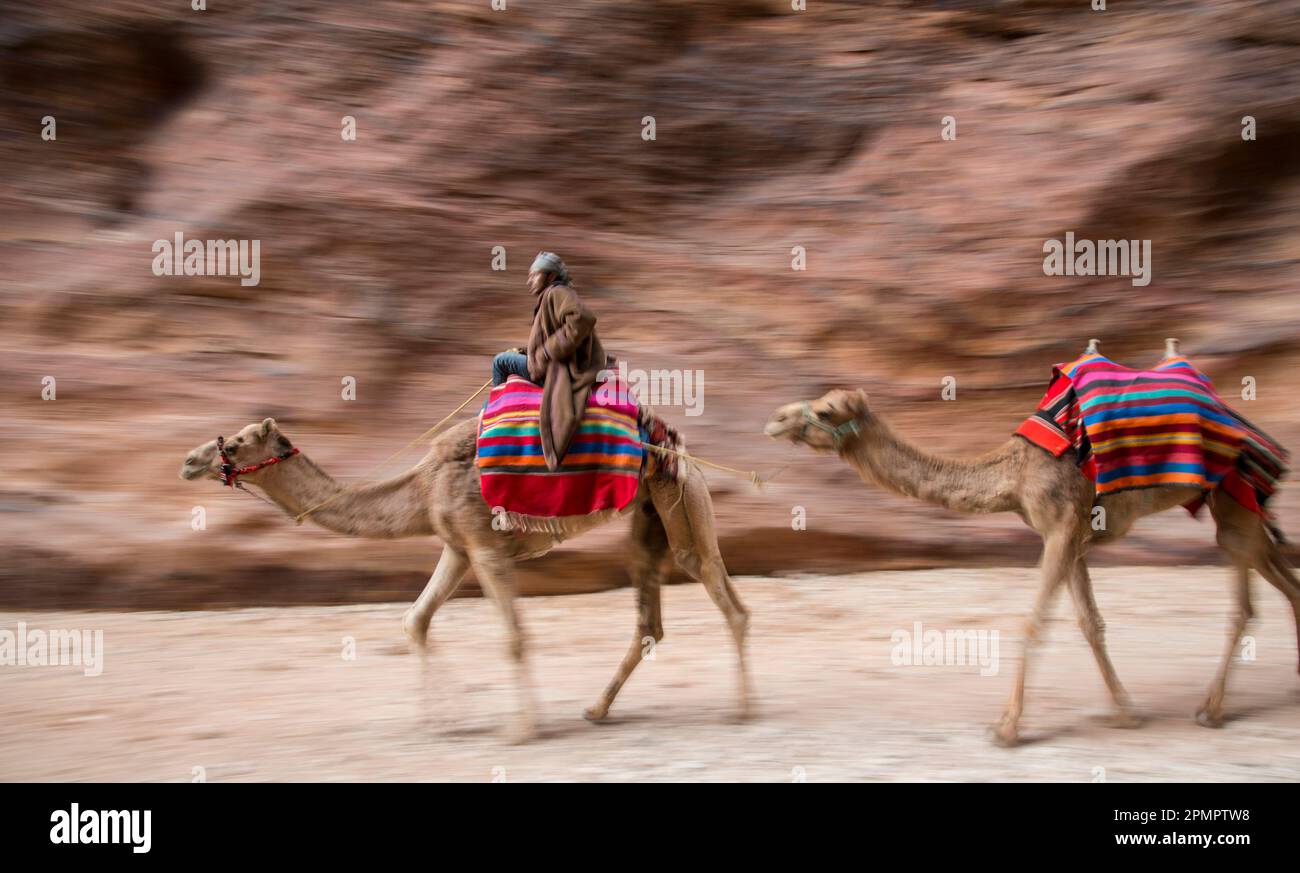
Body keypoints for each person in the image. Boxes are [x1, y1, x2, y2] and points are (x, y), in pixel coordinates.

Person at [491, 252, 610, 470]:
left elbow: (583, 319)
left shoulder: (558, 292)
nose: (529, 280)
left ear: (550, 276)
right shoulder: (551, 295)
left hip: (555, 369)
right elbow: (553, 334)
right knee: (511, 356)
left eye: (533, 275)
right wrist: (529, 351)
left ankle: (493, 418)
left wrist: (546, 352)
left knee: (500, 362)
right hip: (549, 362)